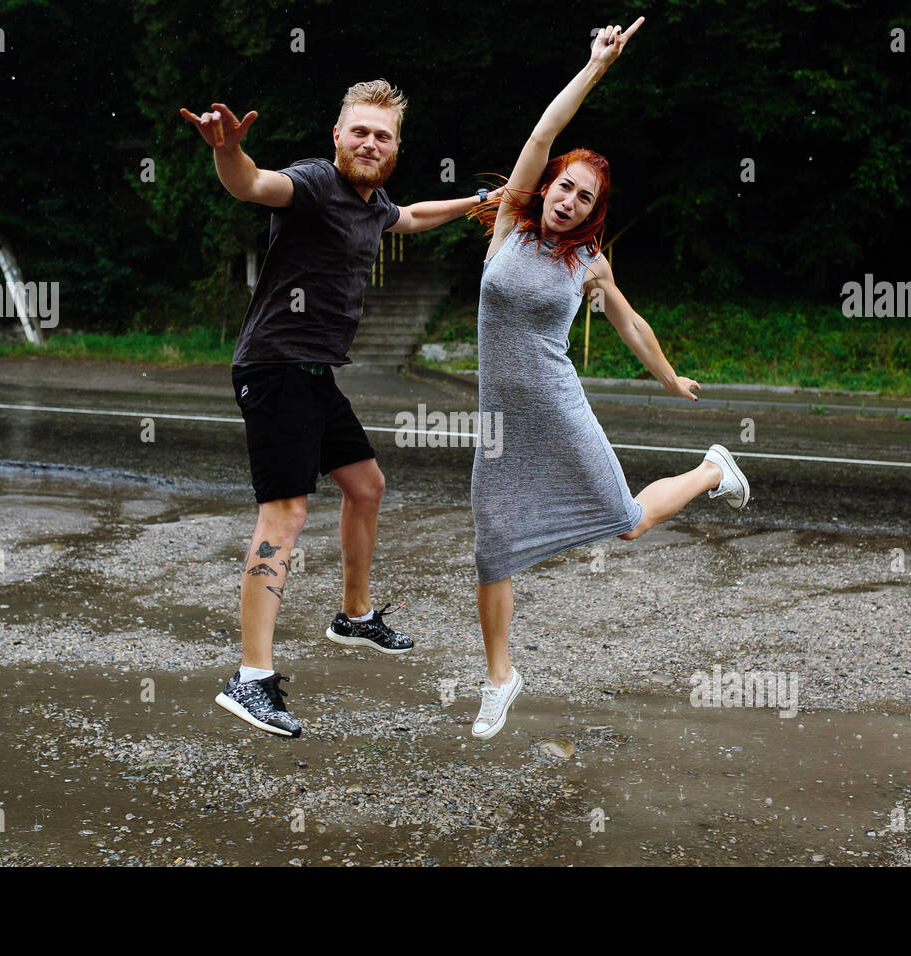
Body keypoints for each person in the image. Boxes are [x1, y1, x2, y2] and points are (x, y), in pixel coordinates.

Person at [180, 80, 502, 737]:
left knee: (366, 485)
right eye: (359, 131)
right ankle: (251, 678)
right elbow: (253, 185)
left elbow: (408, 217)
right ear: (337, 136)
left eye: (382, 136)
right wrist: (227, 151)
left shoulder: (372, 202)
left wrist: (475, 204)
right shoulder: (316, 184)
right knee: (285, 514)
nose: (369, 142)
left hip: (316, 375)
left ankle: (354, 615)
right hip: (273, 368)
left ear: (395, 148)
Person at [465, 20, 752, 740]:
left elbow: (627, 323)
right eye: (565, 187)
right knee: (492, 547)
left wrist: (669, 377)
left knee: (625, 524)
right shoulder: (509, 227)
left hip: (559, 410)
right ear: (549, 183)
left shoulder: (586, 263)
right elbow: (541, 131)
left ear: (594, 213)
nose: (569, 201)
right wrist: (595, 66)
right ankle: (500, 679)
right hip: (499, 424)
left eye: (585, 199)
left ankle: (713, 471)